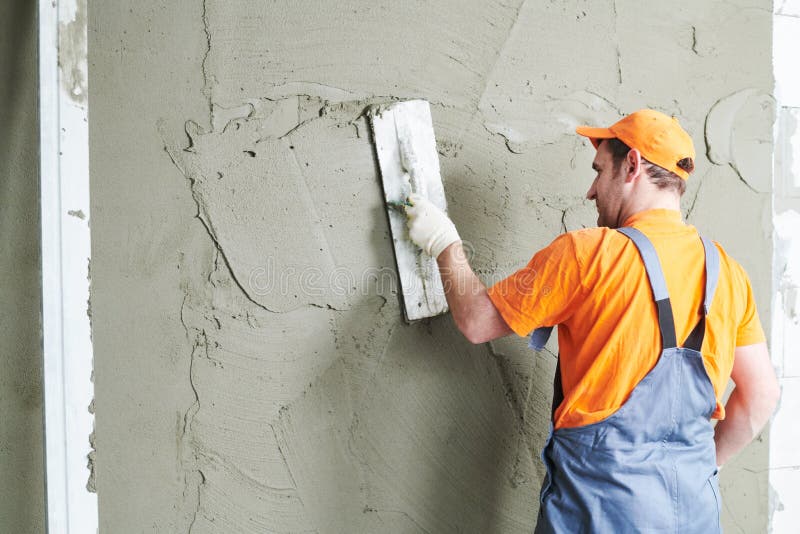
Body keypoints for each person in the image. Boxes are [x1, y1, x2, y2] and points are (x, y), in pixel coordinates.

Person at [403, 109, 780, 533]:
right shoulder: (728, 272)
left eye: (600, 171)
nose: (591, 191)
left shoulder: (588, 253)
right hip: (693, 514)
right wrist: (696, 468)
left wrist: (444, 242)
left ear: (632, 165)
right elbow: (761, 396)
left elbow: (476, 322)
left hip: (600, 513)